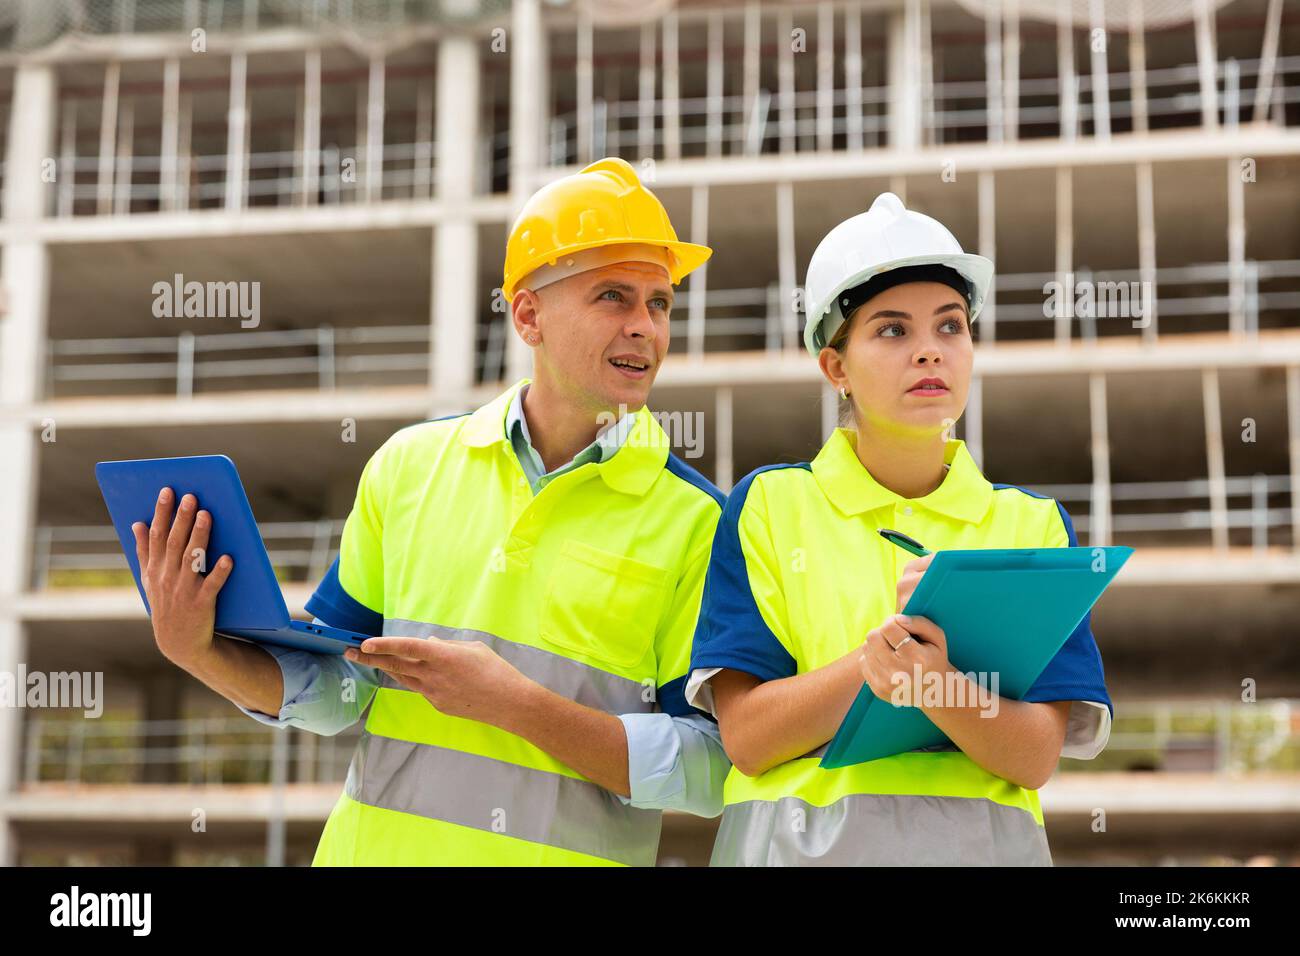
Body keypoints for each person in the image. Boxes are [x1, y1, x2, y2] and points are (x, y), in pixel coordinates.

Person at [135, 157, 730, 866]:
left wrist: (519, 707)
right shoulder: (410, 466)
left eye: (659, 303)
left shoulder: (703, 522)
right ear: (529, 316)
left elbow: (711, 770)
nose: (645, 328)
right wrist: (196, 651)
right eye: (613, 296)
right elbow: (340, 686)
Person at [687, 192, 1112, 866]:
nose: (929, 353)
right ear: (836, 368)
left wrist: (935, 681)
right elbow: (748, 737)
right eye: (892, 330)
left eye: (950, 327)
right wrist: (874, 668)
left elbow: (1035, 756)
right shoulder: (770, 506)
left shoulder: (1031, 524)